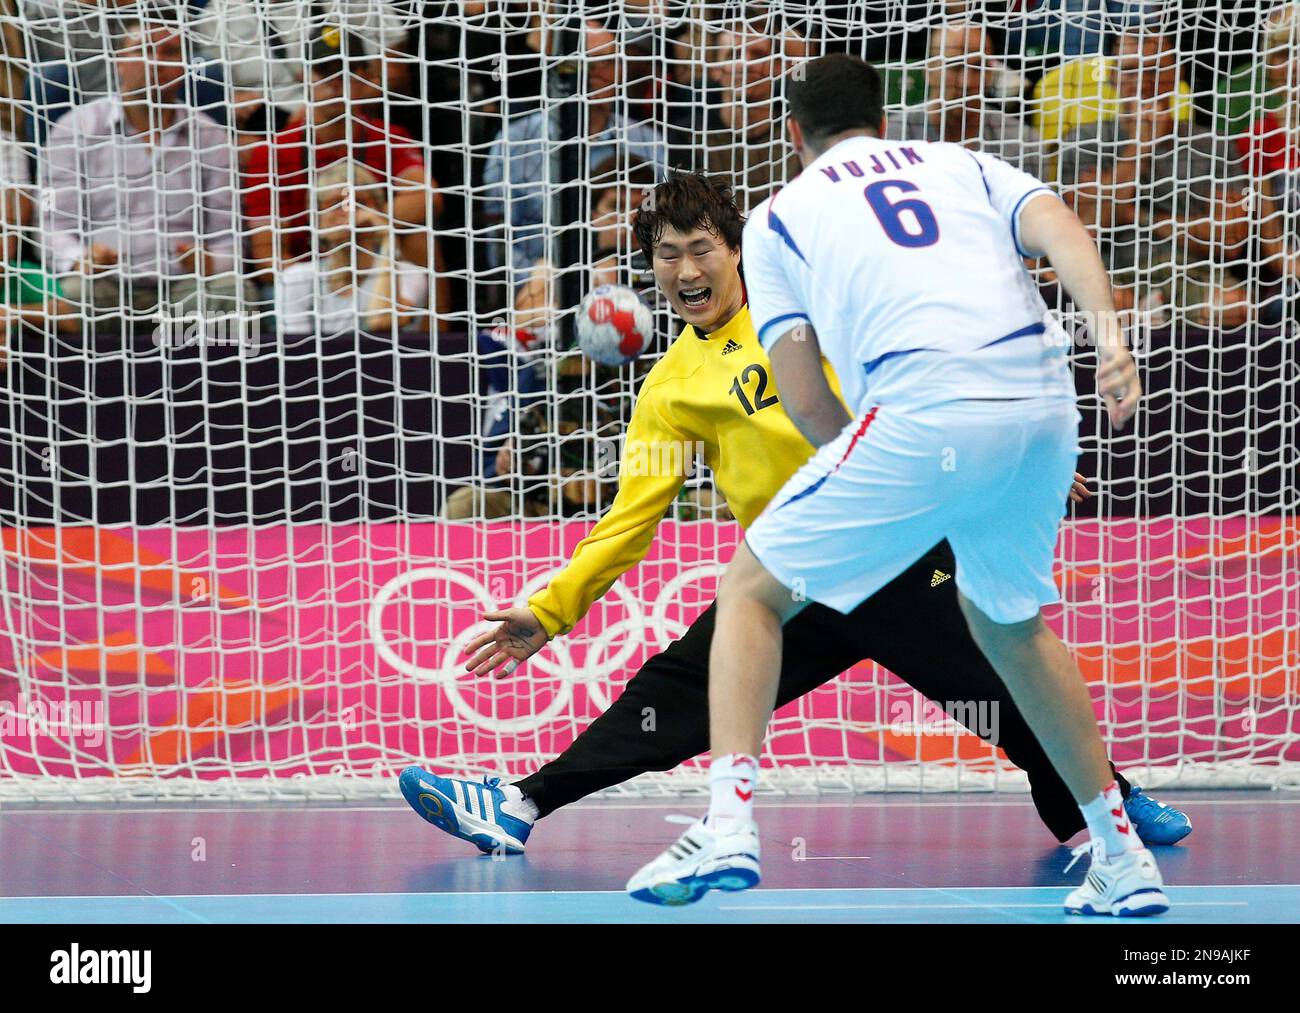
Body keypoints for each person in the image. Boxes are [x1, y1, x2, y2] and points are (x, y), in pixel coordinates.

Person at [397, 172, 1189, 860]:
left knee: (1003, 688)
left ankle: (1109, 805)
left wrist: (1006, 454)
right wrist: (548, 610)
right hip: (794, 581)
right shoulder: (670, 389)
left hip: (902, 554)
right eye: (666, 255)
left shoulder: (808, 315)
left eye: (700, 246)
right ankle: (517, 804)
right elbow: (628, 520)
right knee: (671, 697)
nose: (685, 268)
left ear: (735, 250)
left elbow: (911, 381)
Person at [628, 55, 1167, 917]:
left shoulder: (776, 219)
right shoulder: (965, 165)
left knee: (751, 591)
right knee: (1011, 626)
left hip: (925, 414)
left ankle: (728, 824)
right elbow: (1065, 227)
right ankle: (1121, 854)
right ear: (884, 117)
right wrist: (1110, 340)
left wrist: (879, 492)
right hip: (1042, 411)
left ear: (794, 132)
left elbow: (803, 392)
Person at [41, 14, 249, 318]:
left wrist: (211, 262)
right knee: (76, 294)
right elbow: (51, 225)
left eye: (170, 52)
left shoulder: (210, 136)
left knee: (231, 291)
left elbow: (228, 234)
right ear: (119, 62)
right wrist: (79, 259)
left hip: (186, 286)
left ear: (184, 66)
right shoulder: (74, 129)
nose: (156, 62)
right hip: (105, 285)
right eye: (143, 50)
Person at [241, 30, 442, 281]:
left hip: (377, 272)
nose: (334, 81)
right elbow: (267, 255)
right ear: (305, 78)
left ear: (367, 78)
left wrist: (357, 223)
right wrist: (328, 282)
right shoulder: (271, 153)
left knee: (418, 236)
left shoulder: (389, 136)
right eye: (323, 72)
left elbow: (428, 197)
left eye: (345, 70)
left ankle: (436, 322)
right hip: (308, 278)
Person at [275, 162, 427, 336]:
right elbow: (296, 350)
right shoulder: (296, 279)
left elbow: (383, 322)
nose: (347, 211)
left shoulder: (408, 274)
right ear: (316, 218)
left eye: (358, 202)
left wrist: (387, 239)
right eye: (333, 203)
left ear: (377, 210)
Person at [888, 19, 1043, 176]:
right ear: (928, 71)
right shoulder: (892, 138)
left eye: (977, 68)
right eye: (955, 67)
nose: (966, 82)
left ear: (991, 73)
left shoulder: (1023, 143)